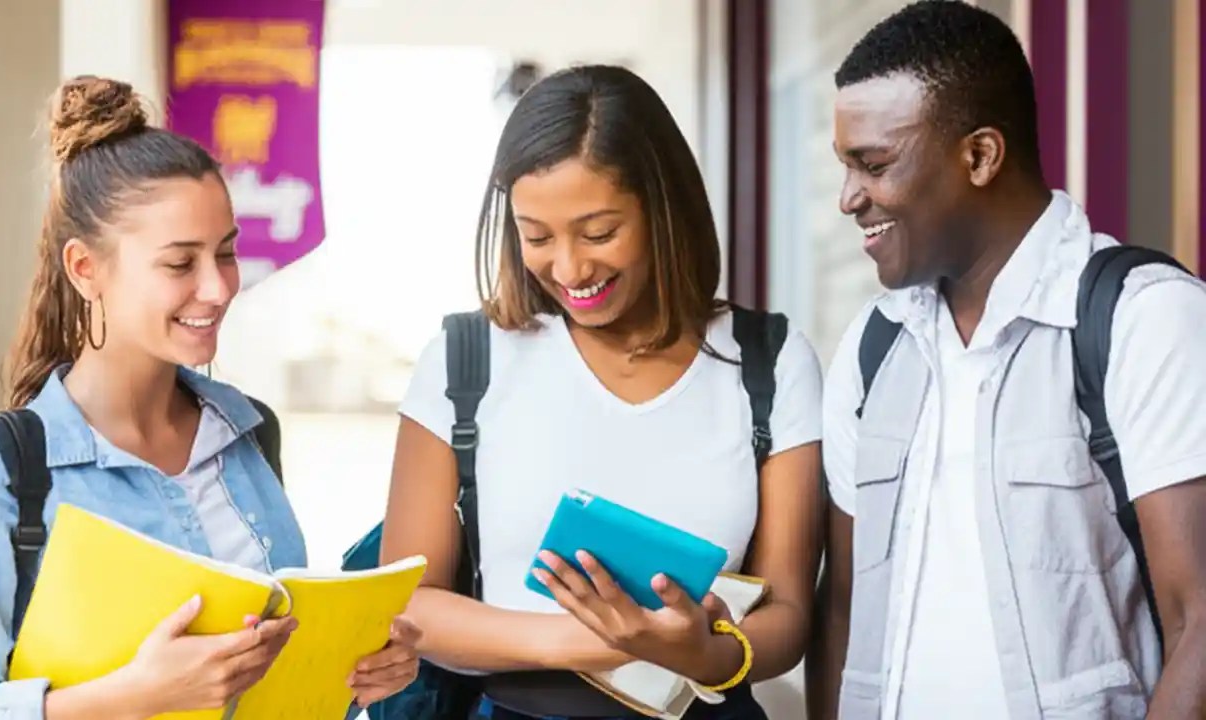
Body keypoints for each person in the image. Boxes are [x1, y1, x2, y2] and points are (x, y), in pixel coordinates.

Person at [0, 76, 420, 719]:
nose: (217, 288)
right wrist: (135, 697)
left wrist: (359, 671)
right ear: (85, 269)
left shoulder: (248, 437)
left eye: (226, 252)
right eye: (180, 264)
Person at [376, 64, 825, 720]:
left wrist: (706, 654)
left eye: (598, 233)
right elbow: (407, 601)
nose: (569, 268)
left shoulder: (769, 362)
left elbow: (788, 613)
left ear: (663, 209)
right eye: (536, 236)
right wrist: (597, 641)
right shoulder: (464, 362)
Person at [807, 2, 1206, 719]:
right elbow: (840, 612)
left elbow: (1200, 619)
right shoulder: (872, 348)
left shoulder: (1144, 318)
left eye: (874, 164)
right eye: (845, 166)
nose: (849, 198)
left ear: (981, 156)